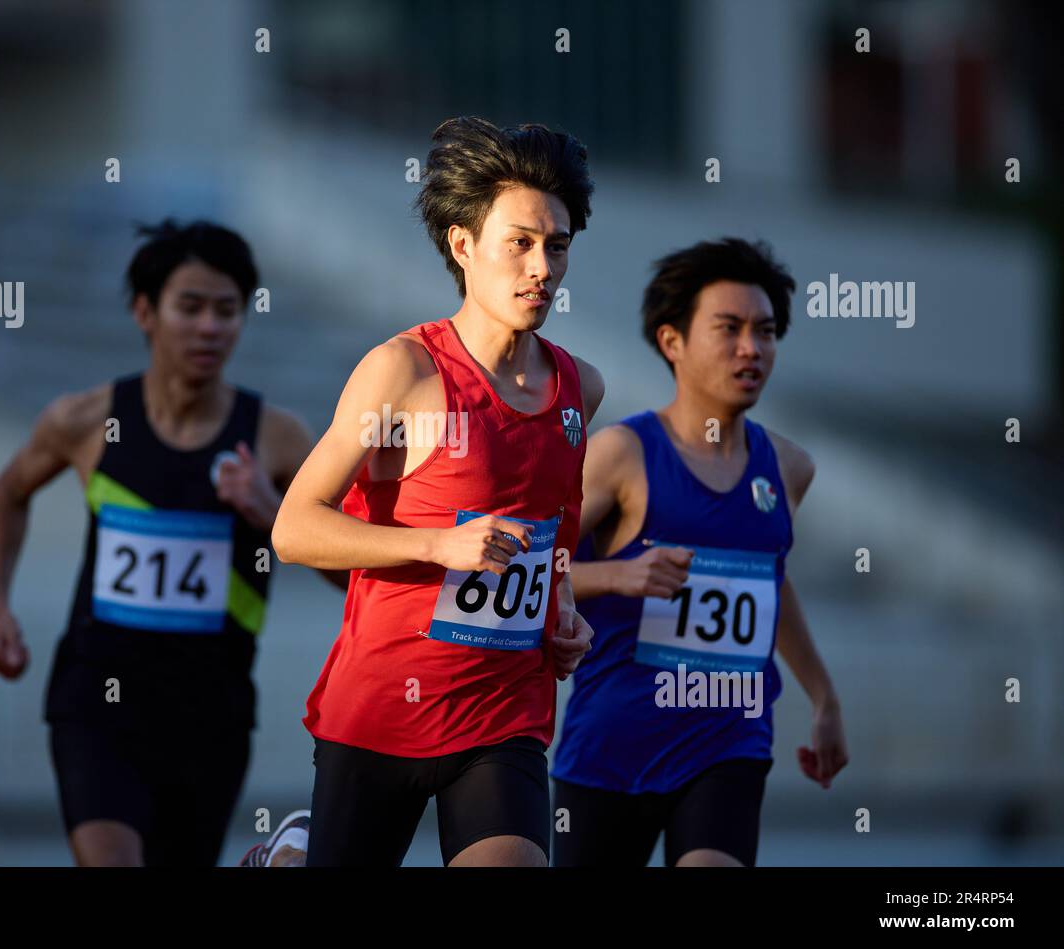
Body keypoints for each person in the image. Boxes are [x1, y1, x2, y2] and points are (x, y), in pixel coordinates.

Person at [272, 116, 604, 867]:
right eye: (519, 242)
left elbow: (553, 529)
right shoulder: (403, 371)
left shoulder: (583, 386)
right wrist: (436, 544)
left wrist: (564, 613)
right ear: (464, 245)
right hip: (383, 709)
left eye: (557, 245)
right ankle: (290, 856)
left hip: (502, 716)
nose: (541, 266)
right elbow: (293, 528)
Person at [0, 219, 338, 866]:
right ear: (145, 312)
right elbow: (9, 493)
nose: (209, 327)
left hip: (211, 713)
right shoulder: (85, 421)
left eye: (227, 311)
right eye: (191, 307)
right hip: (96, 701)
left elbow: (352, 568)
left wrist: (274, 513)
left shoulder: (279, 438)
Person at [551, 238, 849, 867]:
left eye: (766, 332)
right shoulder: (619, 456)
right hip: (611, 746)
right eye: (730, 329)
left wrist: (823, 697)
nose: (752, 349)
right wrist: (620, 574)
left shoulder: (790, 467)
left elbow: (771, 580)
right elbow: (539, 570)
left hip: (728, 742)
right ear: (672, 342)